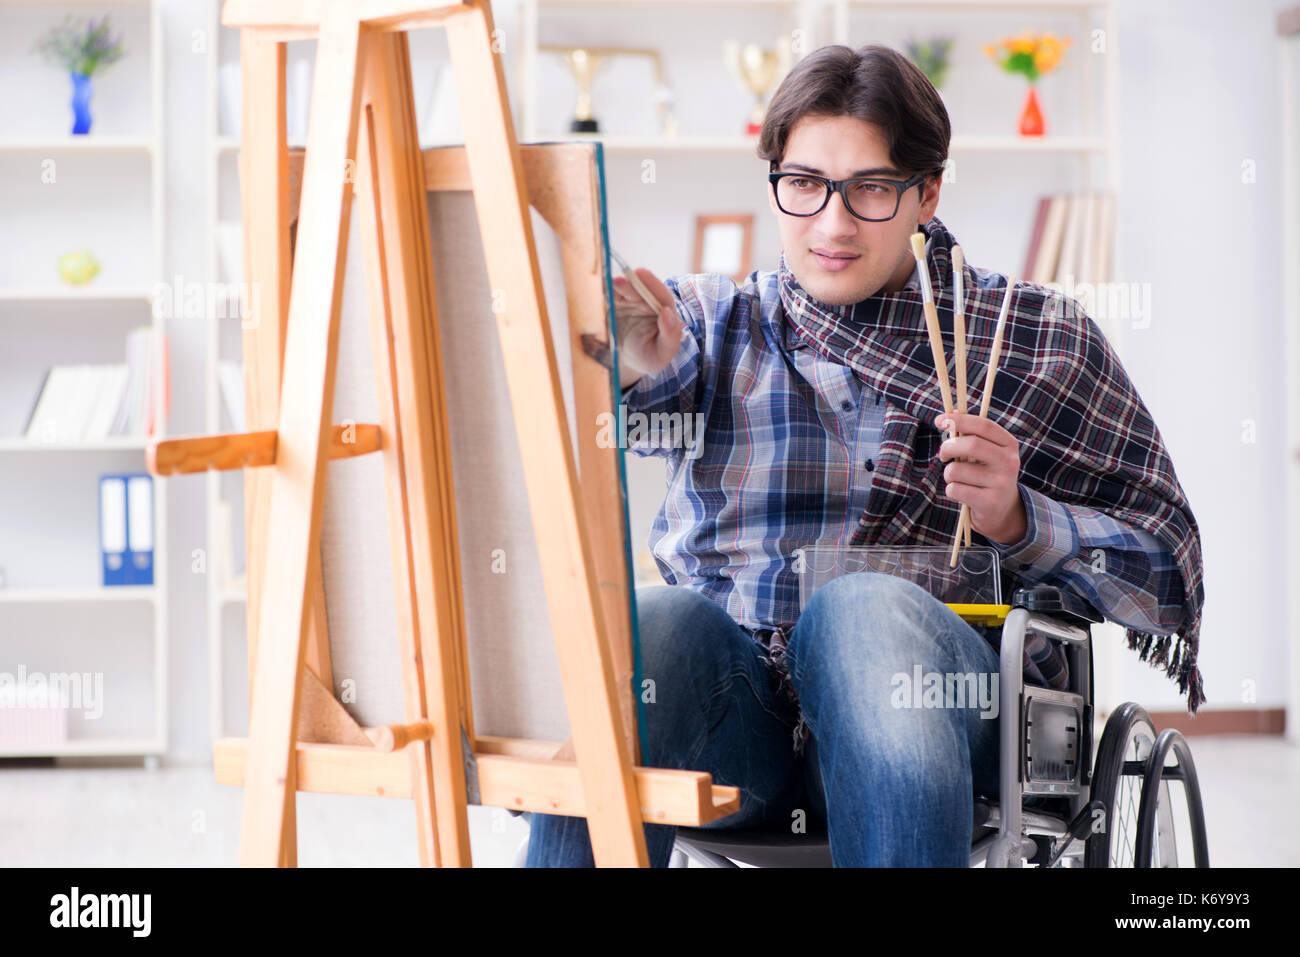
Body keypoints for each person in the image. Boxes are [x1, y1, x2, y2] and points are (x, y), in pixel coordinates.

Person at [525, 43, 1204, 867]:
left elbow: (1166, 571)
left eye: (871, 189)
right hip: (746, 738)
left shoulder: (1037, 339)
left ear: (927, 194)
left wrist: (1023, 520)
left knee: (863, 611)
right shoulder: (712, 325)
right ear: (774, 182)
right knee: (652, 622)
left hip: (939, 713)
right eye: (804, 184)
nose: (832, 224)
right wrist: (633, 364)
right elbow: (632, 396)